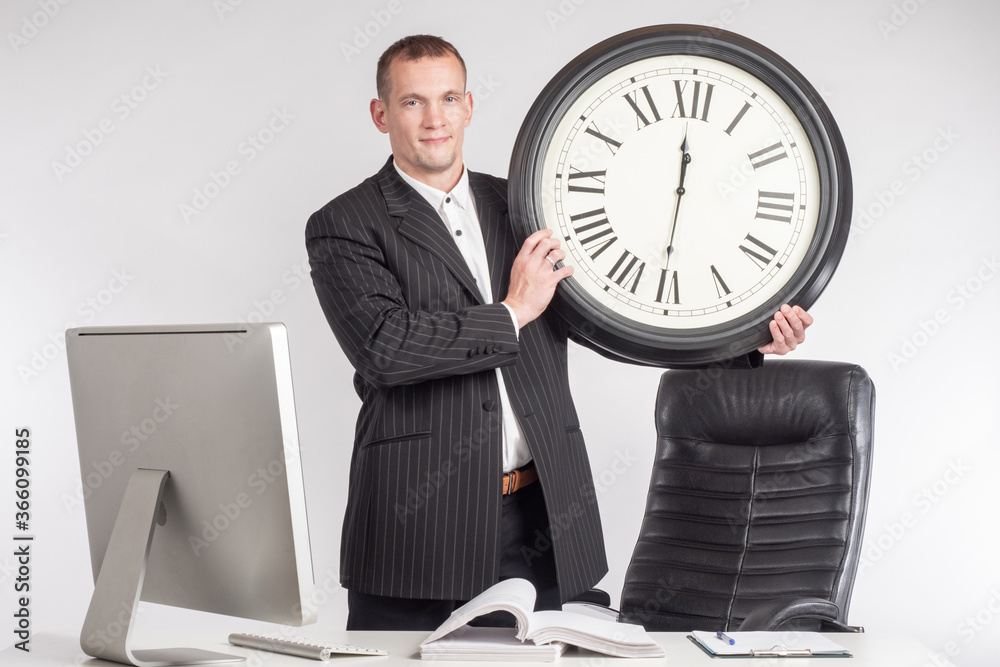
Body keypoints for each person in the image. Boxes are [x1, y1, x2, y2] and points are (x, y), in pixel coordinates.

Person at [305, 35, 812, 631]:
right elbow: (385, 348)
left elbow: (615, 315)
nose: (435, 119)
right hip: (419, 523)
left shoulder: (526, 205)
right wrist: (514, 311)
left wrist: (743, 342)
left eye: (448, 98)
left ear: (469, 106)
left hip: (538, 513)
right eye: (413, 102)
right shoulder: (343, 223)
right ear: (381, 114)